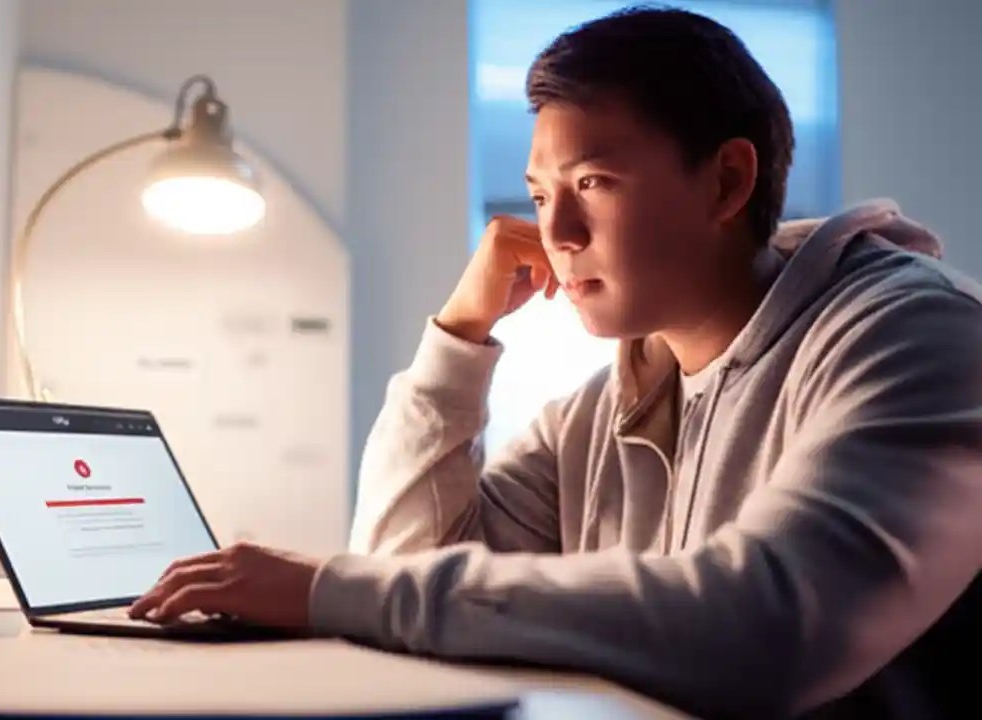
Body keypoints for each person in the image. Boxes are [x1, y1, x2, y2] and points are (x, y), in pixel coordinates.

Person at [130, 6, 981, 718]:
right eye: (541, 197)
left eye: (595, 184)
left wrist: (325, 590)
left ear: (727, 181)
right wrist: (458, 338)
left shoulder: (915, 339)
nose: (557, 236)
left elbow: (771, 628)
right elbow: (403, 573)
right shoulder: (598, 411)